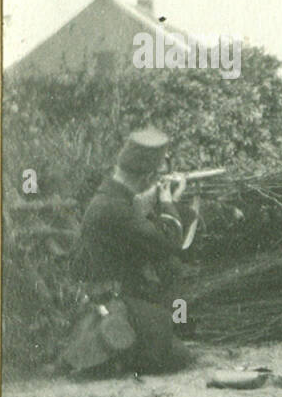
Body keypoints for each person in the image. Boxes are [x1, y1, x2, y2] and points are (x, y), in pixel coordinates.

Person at [60, 127, 194, 375]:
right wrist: (167, 202)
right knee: (178, 353)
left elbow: (134, 215)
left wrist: (153, 197)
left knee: (167, 328)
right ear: (147, 177)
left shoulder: (108, 197)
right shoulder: (116, 209)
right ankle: (112, 354)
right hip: (114, 301)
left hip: (106, 294)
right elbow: (169, 243)